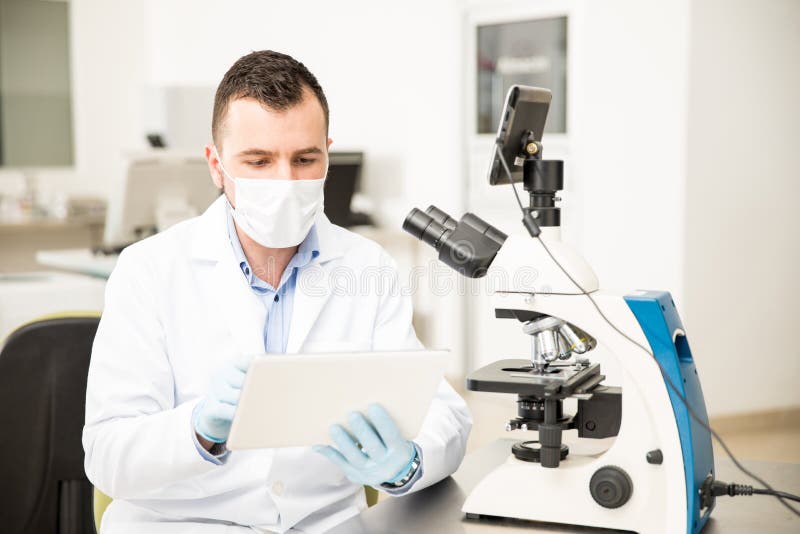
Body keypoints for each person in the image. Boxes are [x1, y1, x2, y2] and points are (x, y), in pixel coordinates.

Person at [82, 50, 472, 533]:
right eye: (258, 161)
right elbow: (107, 455)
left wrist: (407, 463)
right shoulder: (148, 271)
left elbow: (446, 417)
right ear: (216, 165)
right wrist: (197, 430)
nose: (284, 181)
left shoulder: (367, 266)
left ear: (327, 153)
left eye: (305, 159)